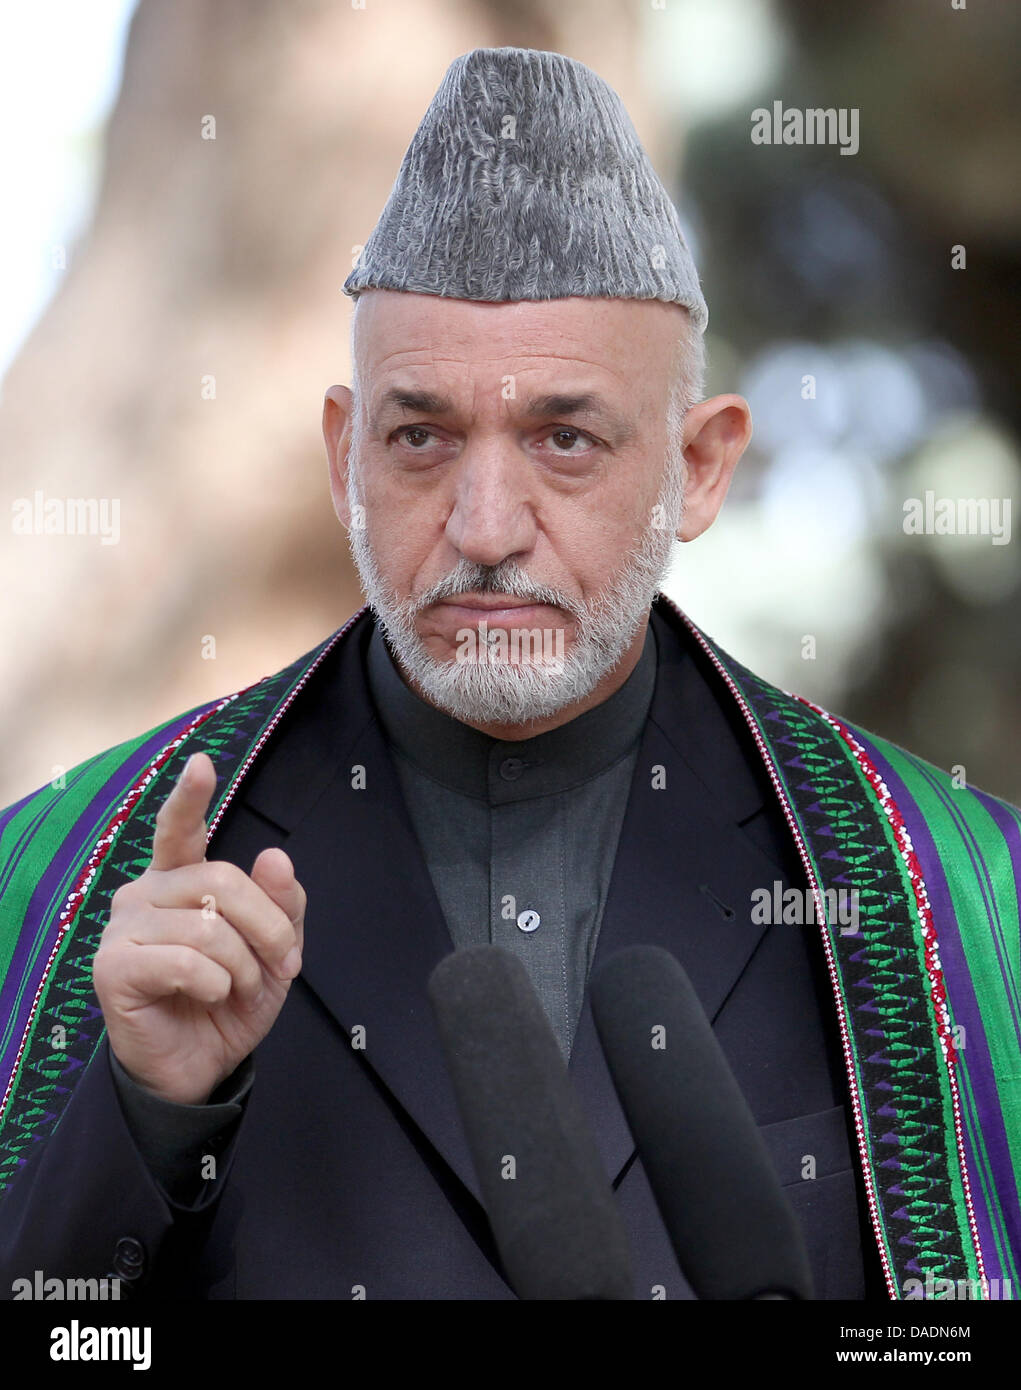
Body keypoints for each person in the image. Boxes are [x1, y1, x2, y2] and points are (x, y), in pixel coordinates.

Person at [0, 46, 1018, 1303]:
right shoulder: (58, 882)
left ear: (699, 468)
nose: (485, 525)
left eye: (565, 438)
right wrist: (144, 1111)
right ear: (342, 457)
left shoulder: (961, 900)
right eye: (420, 436)